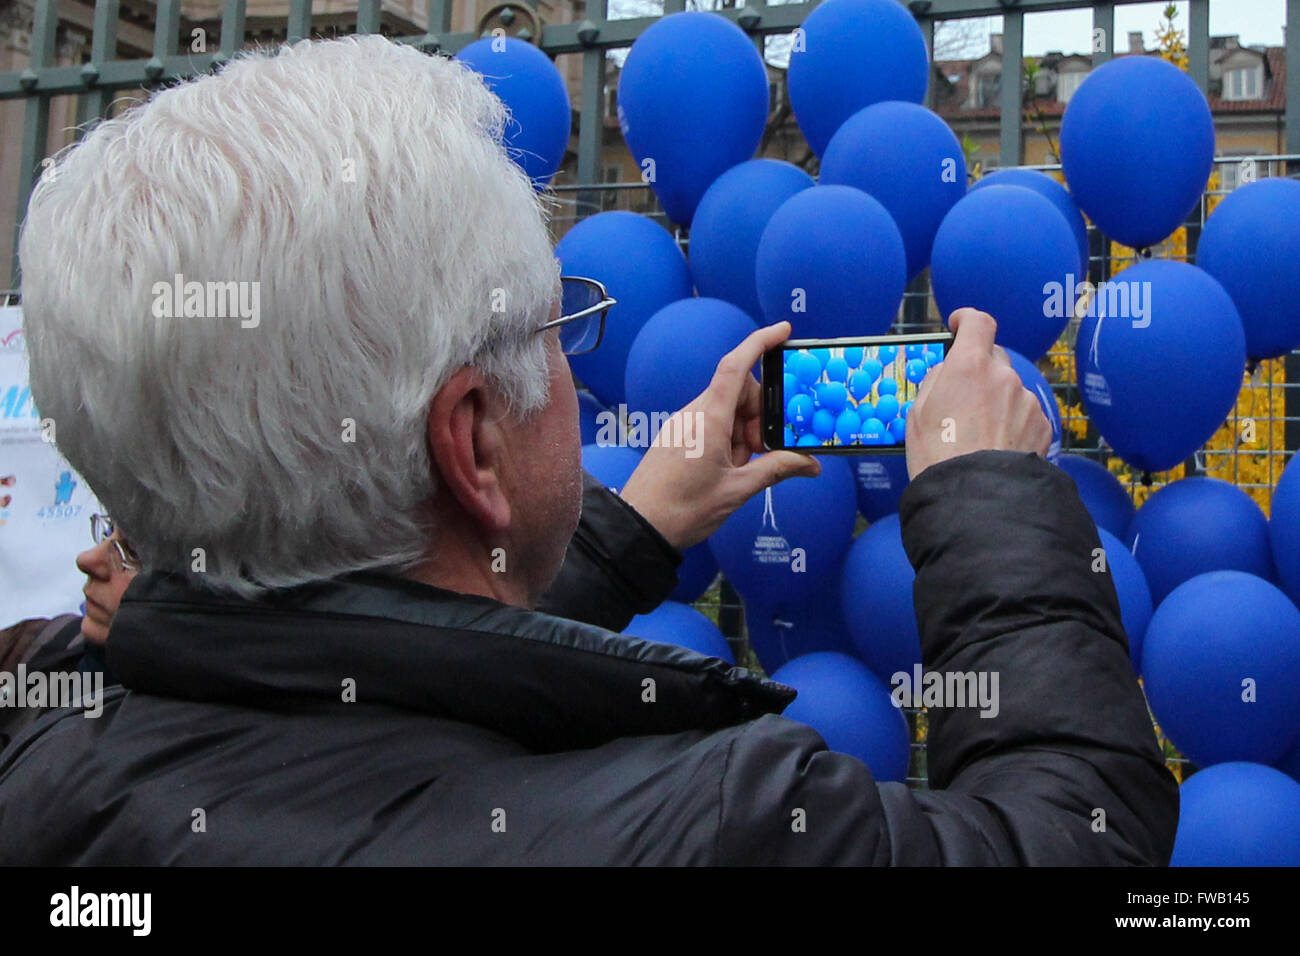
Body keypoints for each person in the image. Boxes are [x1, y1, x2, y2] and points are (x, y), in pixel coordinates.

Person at [0, 35, 1177, 865]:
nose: (571, 363)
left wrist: (631, 529)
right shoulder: (718, 825)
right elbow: (1072, 832)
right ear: (473, 443)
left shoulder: (48, 737)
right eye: (557, 326)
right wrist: (991, 499)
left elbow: (361, 668)